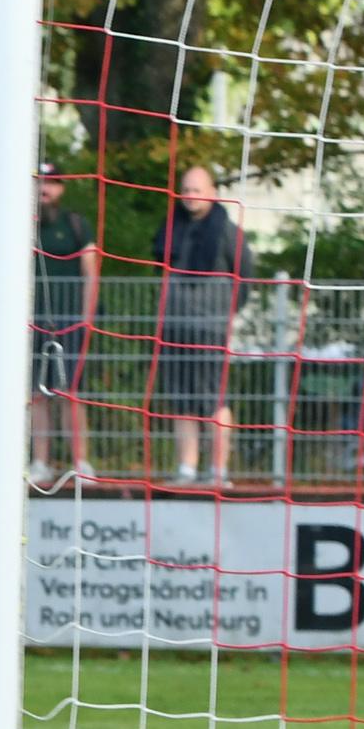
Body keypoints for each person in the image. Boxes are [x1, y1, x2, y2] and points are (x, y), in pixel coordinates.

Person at [152, 165, 253, 487]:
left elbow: (245, 276)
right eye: (186, 189)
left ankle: (218, 472)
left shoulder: (228, 232)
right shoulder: (171, 227)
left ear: (212, 193)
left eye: (197, 190)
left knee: (214, 399)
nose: (191, 196)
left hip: (211, 329)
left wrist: (223, 311)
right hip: (174, 326)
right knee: (181, 399)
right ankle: (187, 468)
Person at [29, 161, 101, 484]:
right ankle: (39, 462)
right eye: (39, 182)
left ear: (61, 188)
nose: (44, 188)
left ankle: (80, 462)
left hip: (70, 322)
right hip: (33, 323)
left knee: (71, 392)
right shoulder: (22, 224)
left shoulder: (76, 225)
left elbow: (90, 271)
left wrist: (87, 318)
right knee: (37, 393)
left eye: (51, 182)